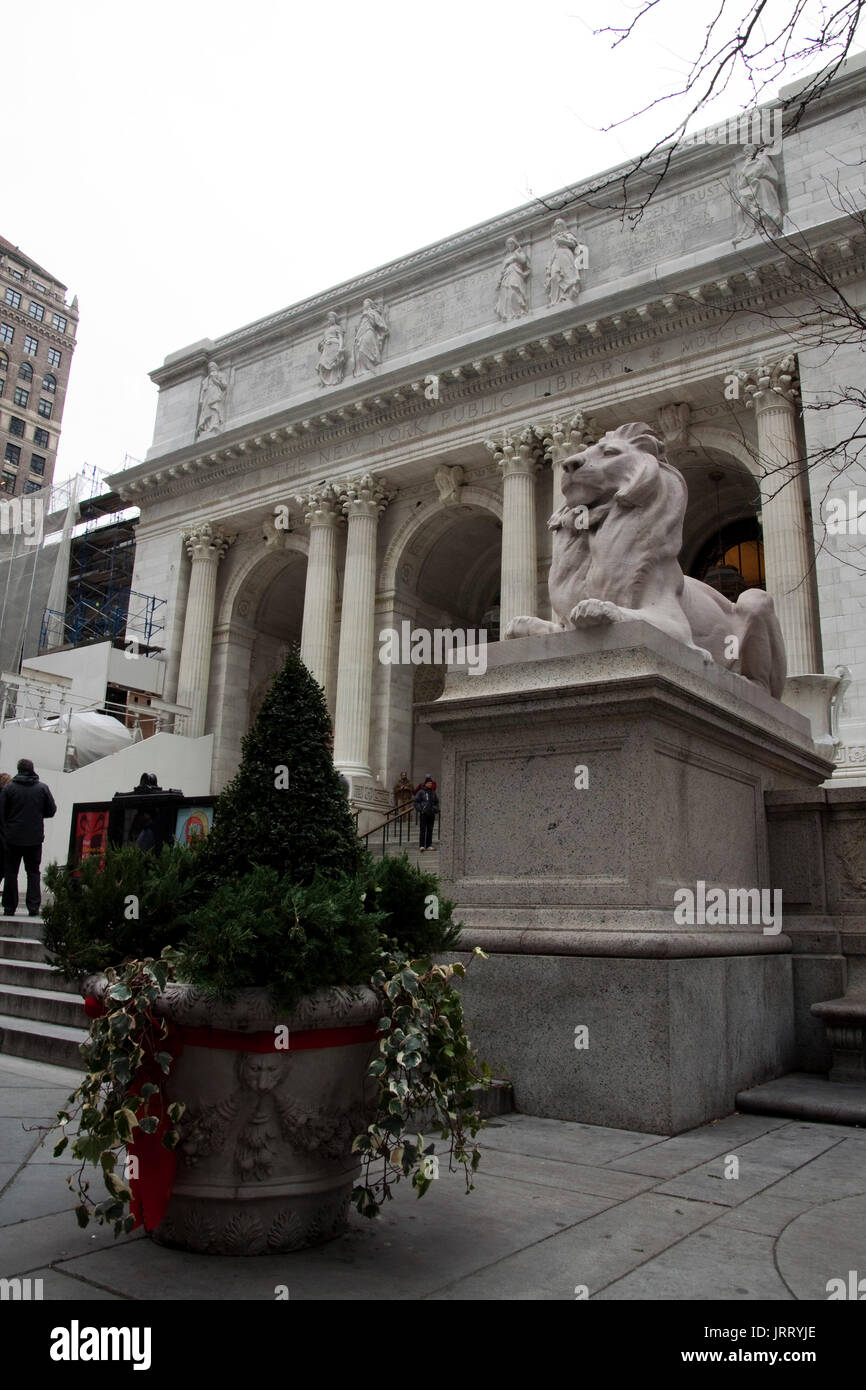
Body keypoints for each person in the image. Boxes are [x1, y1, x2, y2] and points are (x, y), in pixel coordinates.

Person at [0, 758, 57, 916]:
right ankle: (33, 907)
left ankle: (9, 907)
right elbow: (51, 810)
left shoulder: (8, 789)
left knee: (11, 872)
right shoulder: (42, 788)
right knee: (33, 872)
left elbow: (1, 813)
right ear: (32, 769)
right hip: (34, 838)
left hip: (12, 838)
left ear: (18, 769)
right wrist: (37, 815)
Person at [414, 777, 439, 852]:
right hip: (424, 814)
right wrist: (421, 809)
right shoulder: (421, 792)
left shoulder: (433, 792)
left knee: (430, 830)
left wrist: (435, 808)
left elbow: (436, 802)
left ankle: (429, 845)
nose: (430, 784)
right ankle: (422, 845)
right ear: (425, 783)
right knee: (423, 830)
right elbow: (416, 802)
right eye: (429, 783)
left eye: (431, 783)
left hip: (431, 814)